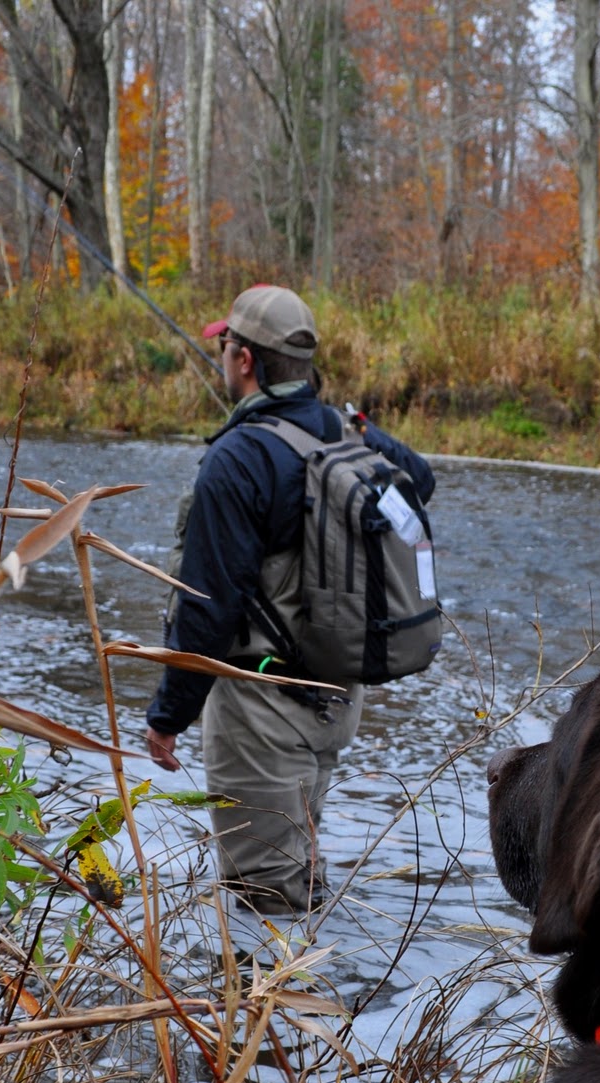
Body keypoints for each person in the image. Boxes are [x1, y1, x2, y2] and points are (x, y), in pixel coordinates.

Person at [145, 284, 437, 917]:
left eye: (226, 346)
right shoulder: (344, 430)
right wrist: (363, 427)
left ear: (244, 359)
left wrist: (168, 715)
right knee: (298, 881)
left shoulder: (238, 458)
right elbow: (421, 479)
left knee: (265, 905)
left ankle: (281, 987)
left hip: (261, 711)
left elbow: (208, 606)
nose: (223, 357)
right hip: (334, 698)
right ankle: (338, 979)